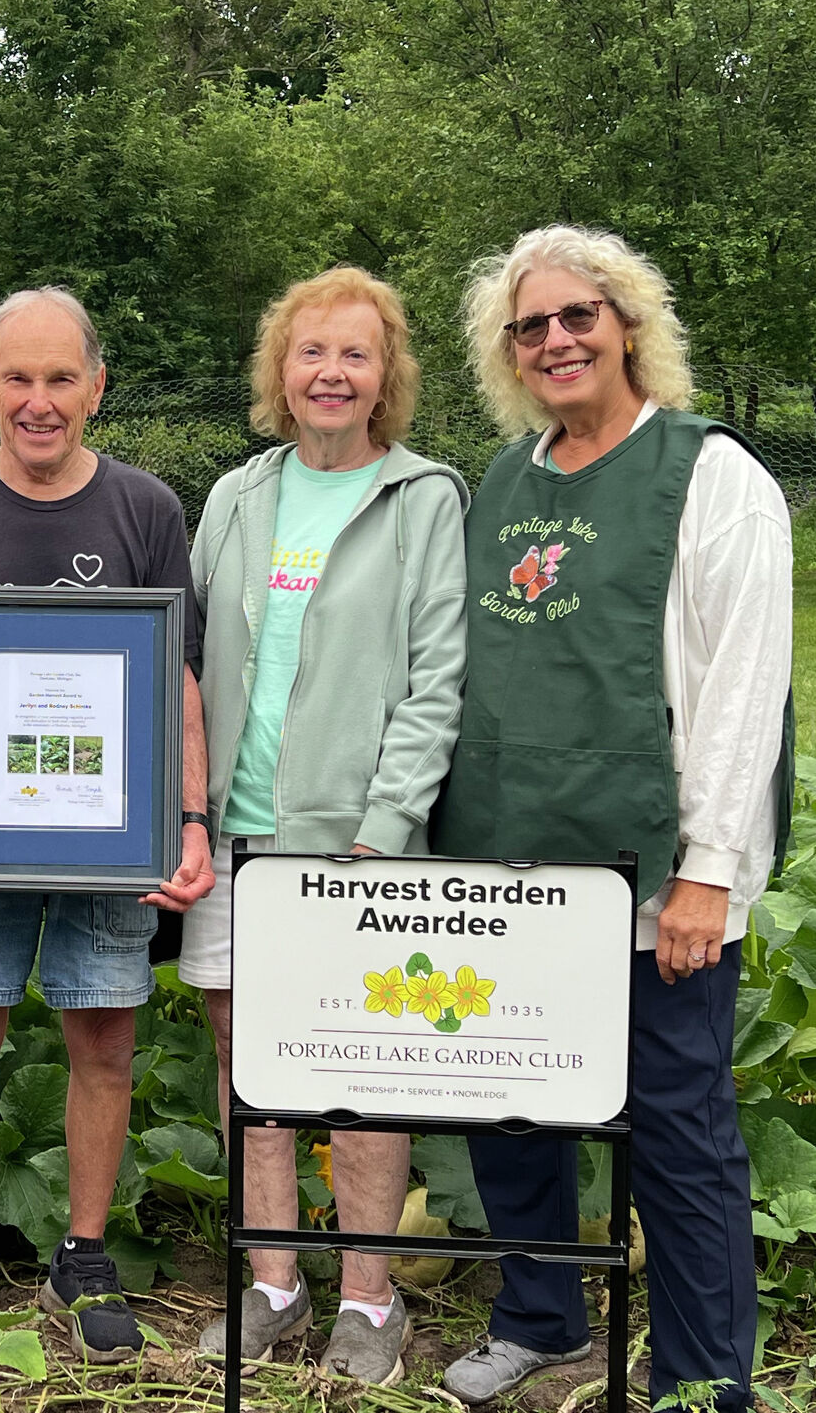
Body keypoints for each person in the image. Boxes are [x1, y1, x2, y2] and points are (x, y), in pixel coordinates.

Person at [432, 226, 793, 1409]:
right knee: (507, 1104)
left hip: (652, 881)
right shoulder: (504, 478)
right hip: (509, 860)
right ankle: (538, 1317)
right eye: (528, 327)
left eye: (576, 315)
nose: (554, 339)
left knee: (678, 1136)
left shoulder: (710, 473)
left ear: (628, 323)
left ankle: (700, 1377)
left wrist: (707, 868)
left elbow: (745, 687)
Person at [0, 286, 215, 1362]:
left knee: (105, 1041)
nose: (38, 402)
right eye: (17, 379)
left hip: (107, 839)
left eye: (59, 379)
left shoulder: (145, 511)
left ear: (96, 387)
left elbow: (174, 678)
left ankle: (82, 1251)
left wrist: (185, 820)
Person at [184, 266, 468, 1381]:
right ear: (279, 371)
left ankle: (367, 1299)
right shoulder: (238, 496)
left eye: (354, 354)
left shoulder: (421, 498)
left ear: (385, 375)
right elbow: (190, 669)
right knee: (245, 1061)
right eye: (310, 353)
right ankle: (270, 1284)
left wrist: (385, 826)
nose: (330, 373)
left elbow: (436, 677)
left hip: (354, 840)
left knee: (357, 1069)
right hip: (234, 835)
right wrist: (187, 812)